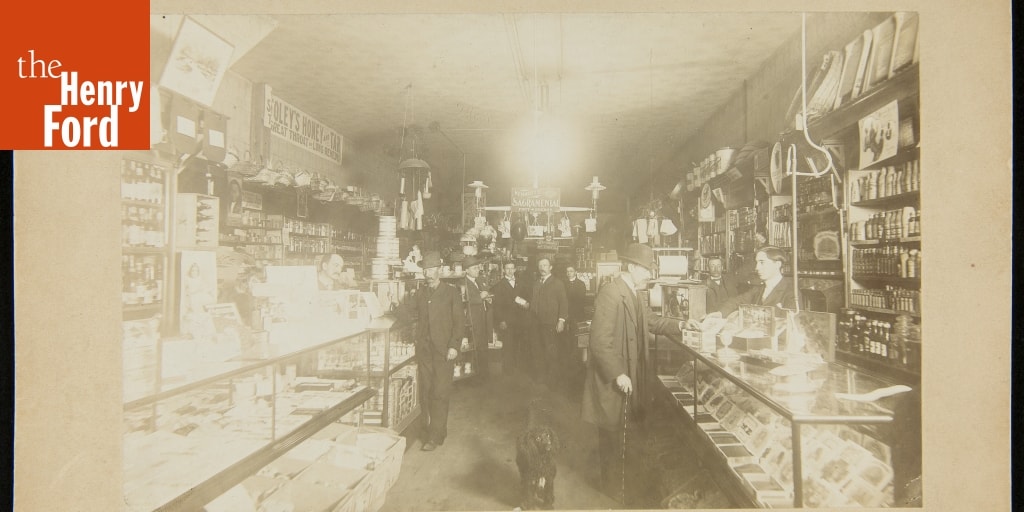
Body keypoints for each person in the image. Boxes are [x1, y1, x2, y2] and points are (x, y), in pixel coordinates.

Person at [580, 243, 685, 506]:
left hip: (631, 375)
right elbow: (599, 341)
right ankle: (611, 492)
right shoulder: (610, 293)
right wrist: (617, 374)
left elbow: (652, 321)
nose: (649, 275)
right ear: (633, 267)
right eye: (647, 270)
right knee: (611, 436)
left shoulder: (635, 293)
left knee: (625, 434)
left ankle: (623, 487)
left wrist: (682, 324)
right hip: (615, 379)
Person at [412, 251, 465, 451]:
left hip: (444, 351)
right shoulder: (421, 293)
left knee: (440, 392)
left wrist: (454, 345)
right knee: (426, 391)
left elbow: (459, 322)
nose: (427, 273)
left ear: (439, 270)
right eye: (425, 269)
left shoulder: (451, 293)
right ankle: (431, 430)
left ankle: (436, 436)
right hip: (425, 350)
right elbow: (407, 310)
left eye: (431, 269)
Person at [688, 246, 796, 330]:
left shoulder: (791, 292)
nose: (757, 268)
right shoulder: (758, 289)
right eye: (757, 263)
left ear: (777, 264)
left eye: (762, 262)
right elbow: (736, 301)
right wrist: (720, 314)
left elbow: (789, 327)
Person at [521, 256, 568, 391]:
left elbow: (564, 303)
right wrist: (527, 306)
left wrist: (561, 320)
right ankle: (541, 376)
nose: (542, 268)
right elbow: (535, 302)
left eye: (545, 265)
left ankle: (552, 380)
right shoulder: (536, 283)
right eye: (540, 265)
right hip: (536, 323)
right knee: (537, 350)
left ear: (550, 267)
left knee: (551, 351)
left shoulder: (557, 283)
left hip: (550, 323)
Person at [491, 261, 528, 374]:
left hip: (520, 320)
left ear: (515, 269)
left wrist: (526, 303)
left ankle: (519, 369)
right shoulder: (498, 285)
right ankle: (508, 372)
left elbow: (526, 298)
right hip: (507, 321)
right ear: (504, 270)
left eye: (512, 268)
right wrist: (501, 320)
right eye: (507, 268)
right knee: (508, 345)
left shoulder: (521, 283)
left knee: (519, 344)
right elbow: (496, 306)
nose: (510, 271)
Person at [463, 255, 492, 380]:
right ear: (466, 270)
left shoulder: (478, 280)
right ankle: (475, 375)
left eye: (477, 268)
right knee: (475, 346)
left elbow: (486, 290)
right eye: (474, 268)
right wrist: (481, 297)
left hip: (482, 317)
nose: (477, 270)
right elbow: (466, 299)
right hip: (472, 319)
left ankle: (483, 374)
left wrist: (487, 297)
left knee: (482, 346)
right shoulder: (464, 283)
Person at [563, 265, 589, 393]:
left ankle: (577, 361)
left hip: (577, 315)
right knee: (567, 339)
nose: (569, 273)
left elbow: (580, 300)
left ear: (575, 272)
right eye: (567, 271)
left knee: (578, 339)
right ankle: (569, 359)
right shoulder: (563, 284)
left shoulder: (581, 284)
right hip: (566, 315)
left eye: (571, 271)